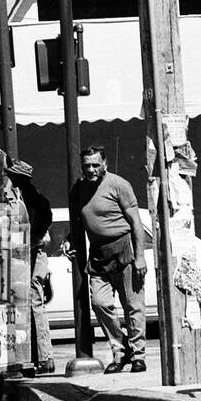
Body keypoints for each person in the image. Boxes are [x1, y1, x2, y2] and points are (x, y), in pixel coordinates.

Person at [68, 146, 149, 374]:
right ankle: (121, 350)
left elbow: (136, 223)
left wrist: (140, 257)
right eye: (87, 166)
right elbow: (79, 222)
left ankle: (138, 355)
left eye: (95, 165)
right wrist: (69, 240)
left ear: (104, 164)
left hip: (125, 251)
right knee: (100, 304)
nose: (91, 170)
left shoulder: (119, 184)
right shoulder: (79, 189)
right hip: (98, 255)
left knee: (133, 307)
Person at [5, 159, 55, 375]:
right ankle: (33, 357)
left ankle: (44, 357)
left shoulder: (30, 198)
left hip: (32, 253)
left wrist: (33, 239)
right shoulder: (21, 197)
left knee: (33, 301)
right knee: (25, 303)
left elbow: (44, 219)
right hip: (24, 253)